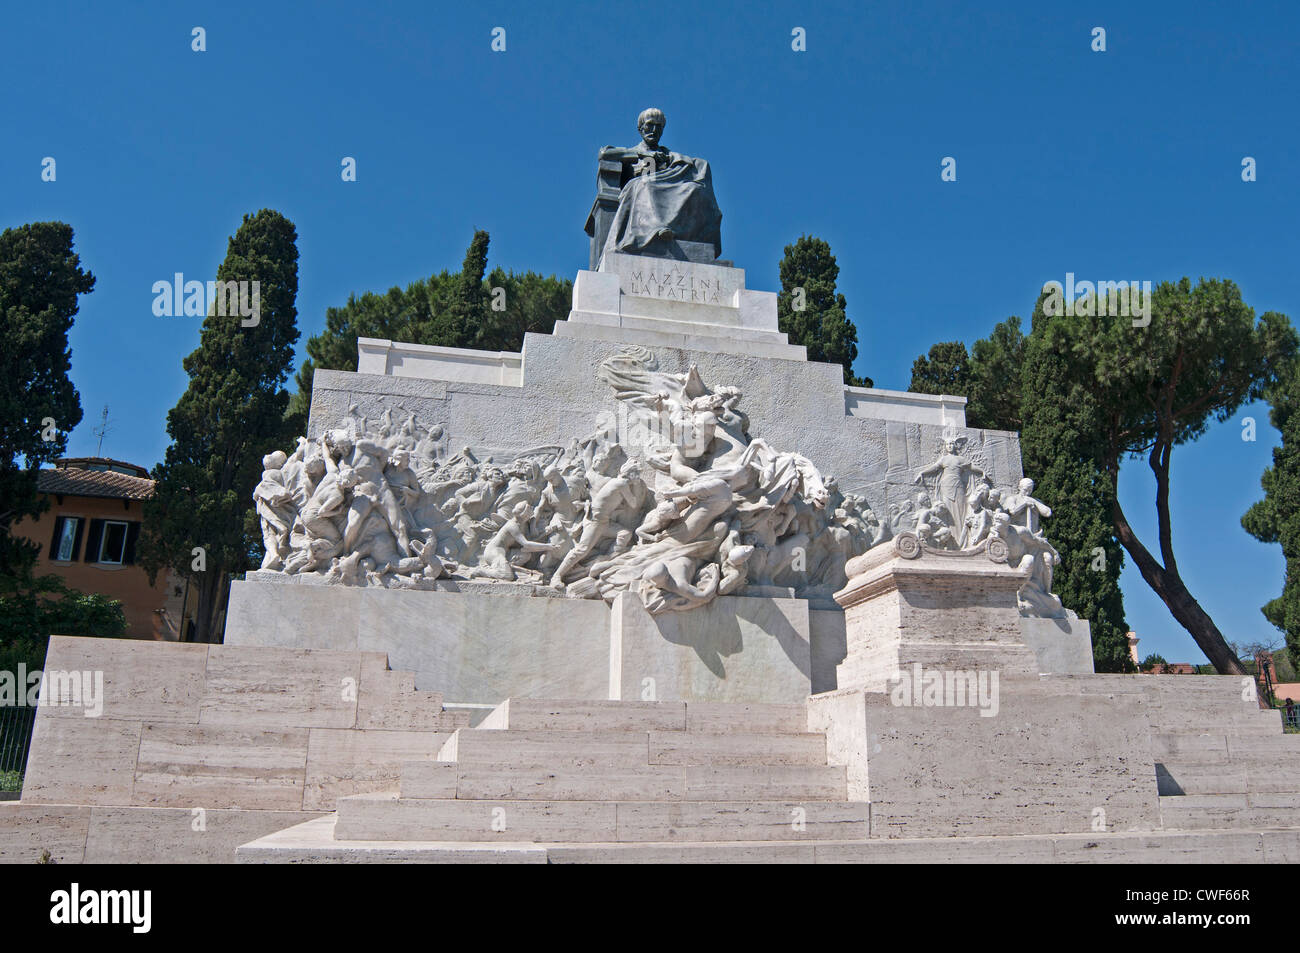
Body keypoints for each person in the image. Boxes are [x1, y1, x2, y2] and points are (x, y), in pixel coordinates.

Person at [599, 108, 723, 260]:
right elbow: (605, 153)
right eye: (650, 125)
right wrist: (644, 155)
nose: (654, 130)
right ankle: (656, 228)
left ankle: (679, 232)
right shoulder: (633, 152)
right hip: (643, 186)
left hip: (670, 185)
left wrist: (670, 162)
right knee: (646, 185)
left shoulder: (668, 155)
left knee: (695, 188)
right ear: (640, 128)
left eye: (658, 126)